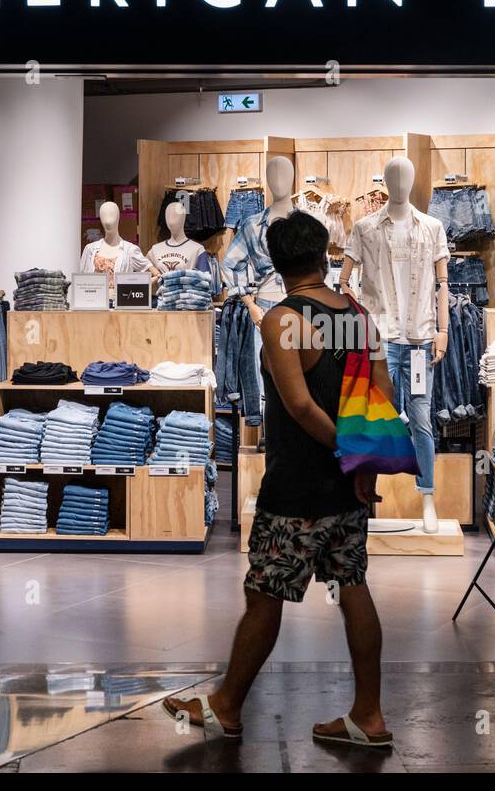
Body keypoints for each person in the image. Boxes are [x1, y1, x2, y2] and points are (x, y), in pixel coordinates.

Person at [163, 211, 395, 749]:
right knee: (353, 587)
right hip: (347, 486)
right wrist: (363, 463)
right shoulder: (361, 318)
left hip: (296, 486)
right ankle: (369, 715)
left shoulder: (282, 319)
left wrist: (341, 452)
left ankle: (225, 706)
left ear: (275, 262)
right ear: (323, 257)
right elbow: (381, 395)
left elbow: (298, 405)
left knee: (263, 594)